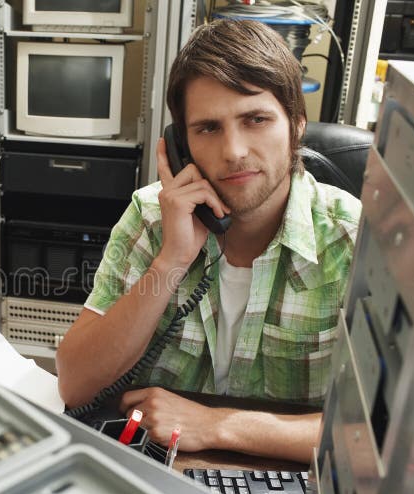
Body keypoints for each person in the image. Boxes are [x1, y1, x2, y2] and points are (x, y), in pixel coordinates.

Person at [55, 19, 362, 464]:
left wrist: (218, 424)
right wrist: (171, 260)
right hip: (165, 474)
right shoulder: (151, 216)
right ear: (180, 146)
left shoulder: (353, 240)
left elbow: (382, 439)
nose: (234, 150)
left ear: (296, 125)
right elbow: (75, 384)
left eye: (256, 120)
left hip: (290, 484)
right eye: (208, 128)